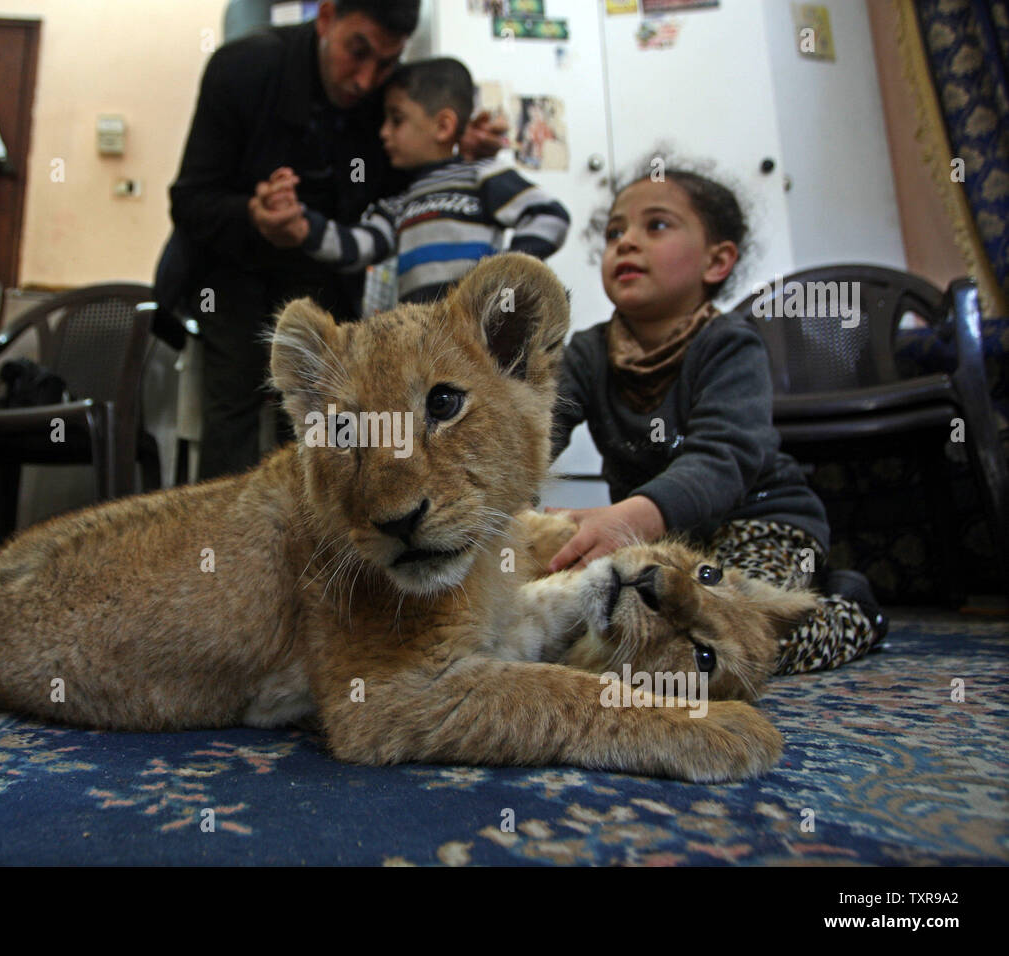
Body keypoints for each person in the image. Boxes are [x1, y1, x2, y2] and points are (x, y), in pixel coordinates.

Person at [547, 164, 887, 675]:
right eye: (615, 232)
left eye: (655, 226)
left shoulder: (729, 344)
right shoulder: (586, 353)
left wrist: (630, 517)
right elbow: (535, 434)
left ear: (717, 260)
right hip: (662, 543)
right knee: (602, 625)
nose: (626, 243)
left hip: (760, 520)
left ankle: (850, 609)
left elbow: (722, 458)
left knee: (729, 641)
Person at [161, 0, 505, 480]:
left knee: (328, 420)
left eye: (385, 62)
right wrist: (253, 214)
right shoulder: (242, 68)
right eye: (356, 51)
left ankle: (328, 547)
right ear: (326, 18)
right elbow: (189, 200)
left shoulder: (386, 94)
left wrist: (456, 151)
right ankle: (224, 550)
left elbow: (402, 189)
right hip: (231, 271)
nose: (366, 79)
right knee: (232, 407)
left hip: (327, 277)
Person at [260, 57, 570, 303]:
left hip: (476, 339)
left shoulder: (483, 176)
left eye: (397, 119)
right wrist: (303, 225)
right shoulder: (400, 203)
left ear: (443, 126)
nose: (383, 132)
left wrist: (502, 274)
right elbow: (357, 248)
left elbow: (550, 216)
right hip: (420, 342)